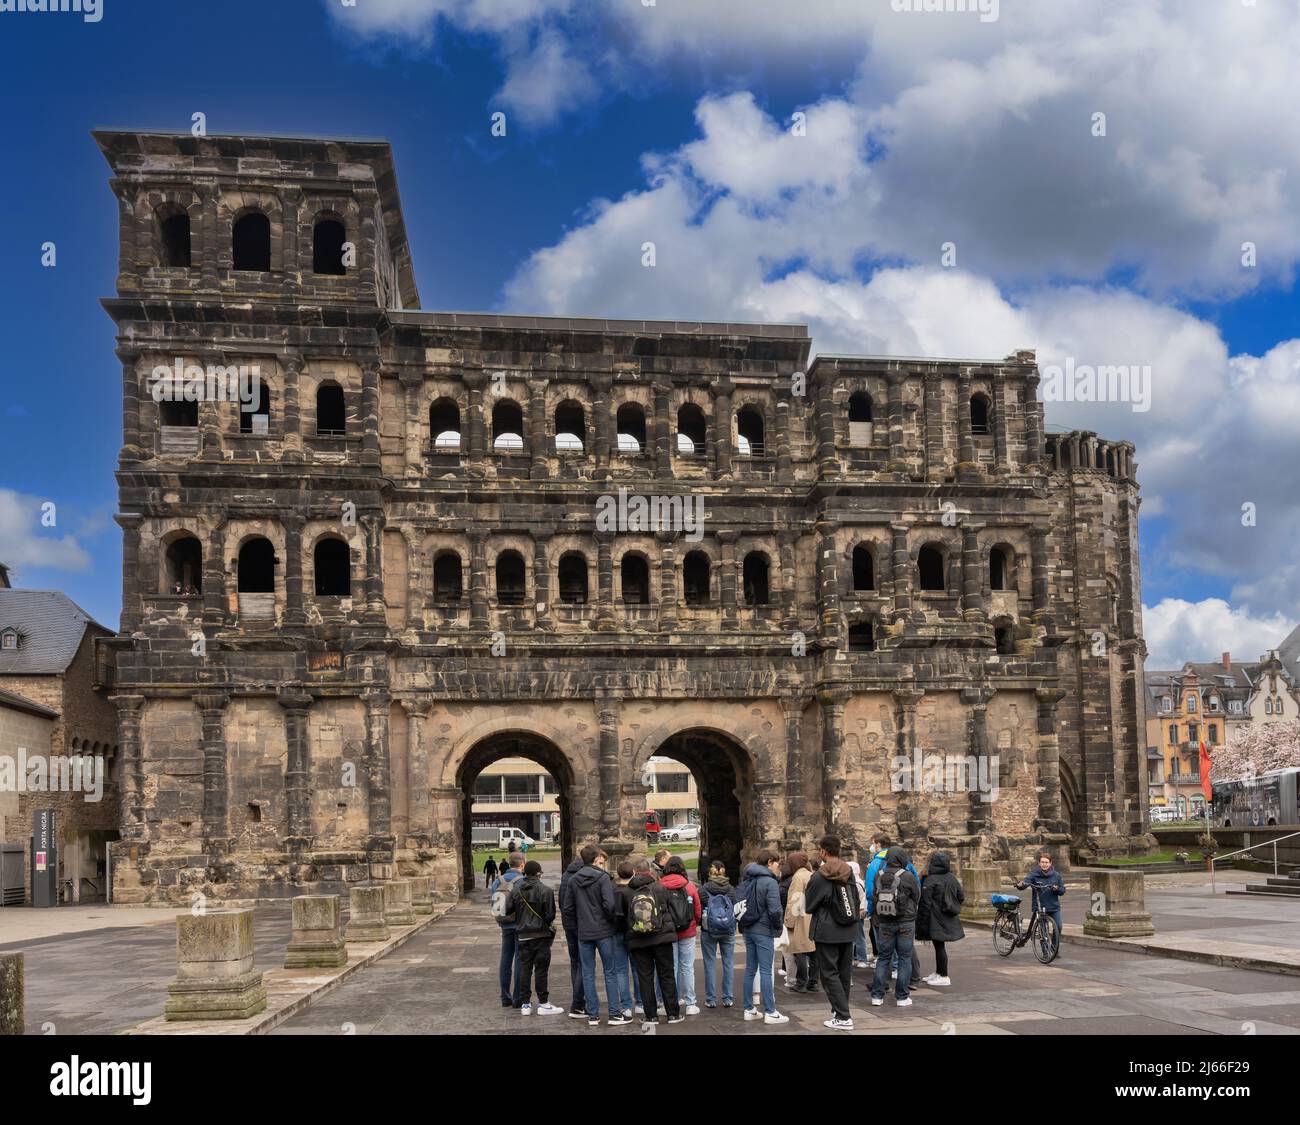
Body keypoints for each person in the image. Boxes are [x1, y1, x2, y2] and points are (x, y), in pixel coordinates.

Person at [804, 835, 863, 1030]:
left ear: (823, 851)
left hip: (827, 931)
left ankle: (843, 1016)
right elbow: (854, 897)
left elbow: (809, 906)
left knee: (829, 973)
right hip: (848, 928)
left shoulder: (820, 875)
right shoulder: (849, 871)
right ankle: (840, 1010)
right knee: (844, 972)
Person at [570, 844, 629, 1026]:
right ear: (596, 859)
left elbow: (567, 908)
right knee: (610, 972)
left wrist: (579, 925)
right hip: (603, 931)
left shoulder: (573, 880)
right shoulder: (603, 878)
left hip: (584, 932)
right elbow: (610, 905)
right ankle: (614, 1013)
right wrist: (611, 921)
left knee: (588, 973)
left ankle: (593, 1015)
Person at [624, 856, 684, 1025]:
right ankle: (673, 1014)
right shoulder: (660, 887)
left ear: (635, 871)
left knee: (645, 977)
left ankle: (651, 1016)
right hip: (662, 937)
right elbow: (669, 909)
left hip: (638, 940)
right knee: (667, 975)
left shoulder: (628, 891)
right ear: (649, 871)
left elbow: (624, 916)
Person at [736, 849, 790, 1025]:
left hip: (749, 929)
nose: (778, 866)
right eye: (777, 862)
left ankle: (749, 1009)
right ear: (769, 863)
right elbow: (775, 910)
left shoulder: (748, 877)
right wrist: (777, 929)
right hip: (764, 930)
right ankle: (770, 1012)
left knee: (750, 969)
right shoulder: (770, 882)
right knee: (766, 971)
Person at [865, 834, 921, 987]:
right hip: (906, 916)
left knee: (884, 953)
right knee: (906, 952)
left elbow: (871, 892)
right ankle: (913, 980)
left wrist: (871, 911)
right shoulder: (907, 865)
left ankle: (883, 985)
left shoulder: (876, 864)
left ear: (878, 844)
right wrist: (911, 909)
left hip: (882, 913)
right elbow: (916, 888)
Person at [512, 859, 565, 1015]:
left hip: (523, 935)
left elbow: (507, 909)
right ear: (538, 873)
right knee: (541, 969)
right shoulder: (546, 891)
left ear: (525, 873)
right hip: (541, 935)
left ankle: (526, 1004)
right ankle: (543, 1003)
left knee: (524, 969)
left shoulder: (516, 890)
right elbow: (550, 916)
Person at [660, 855, 702, 1015]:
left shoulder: (660, 886)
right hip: (687, 931)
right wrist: (695, 923)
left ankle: (673, 1000)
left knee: (671, 967)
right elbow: (697, 909)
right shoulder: (689, 886)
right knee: (687, 967)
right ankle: (691, 1003)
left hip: (668, 932)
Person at [916, 850, 964, 987]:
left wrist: (921, 922)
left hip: (935, 918)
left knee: (939, 946)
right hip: (947, 916)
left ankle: (943, 975)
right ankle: (939, 972)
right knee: (939, 945)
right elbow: (961, 896)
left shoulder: (931, 880)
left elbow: (925, 903)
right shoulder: (951, 877)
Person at [489, 851, 527, 1008]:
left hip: (505, 924)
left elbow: (494, 903)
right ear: (522, 864)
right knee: (519, 959)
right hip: (520, 924)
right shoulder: (523, 881)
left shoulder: (498, 881)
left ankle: (505, 997)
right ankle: (518, 997)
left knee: (505, 959)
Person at [698, 859, 737, 1008]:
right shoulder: (731, 889)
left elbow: (698, 909)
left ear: (709, 873)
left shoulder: (703, 890)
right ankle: (727, 998)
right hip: (728, 929)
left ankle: (711, 998)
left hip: (709, 930)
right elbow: (734, 907)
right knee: (728, 962)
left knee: (709, 963)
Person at [558, 851, 589, 1020]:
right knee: (584, 963)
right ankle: (577, 1004)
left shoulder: (566, 875)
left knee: (575, 962)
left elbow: (562, 902)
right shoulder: (583, 876)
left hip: (569, 924)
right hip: (582, 924)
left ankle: (579, 1000)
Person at [783, 850, 818, 993]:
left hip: (801, 918)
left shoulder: (798, 877)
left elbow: (795, 902)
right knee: (814, 952)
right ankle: (813, 982)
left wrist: (789, 922)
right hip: (813, 917)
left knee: (800, 951)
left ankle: (801, 982)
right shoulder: (811, 875)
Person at [1017, 850, 1065, 949]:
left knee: (1058, 927)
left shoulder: (1056, 875)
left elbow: (1062, 890)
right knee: (1043, 931)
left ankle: (1054, 948)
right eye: (1042, 862)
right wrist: (1021, 885)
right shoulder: (1034, 874)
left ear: (1050, 863)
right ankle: (1045, 952)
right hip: (1039, 906)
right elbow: (1026, 882)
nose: (1044, 864)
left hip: (1053, 906)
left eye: (1046, 862)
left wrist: (1057, 889)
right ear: (1039, 863)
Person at [610, 860, 636, 1019]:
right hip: (633, 933)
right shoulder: (635, 891)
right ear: (633, 872)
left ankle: (626, 1006)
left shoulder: (612, 891)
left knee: (620, 971)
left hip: (616, 932)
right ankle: (639, 1002)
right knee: (638, 969)